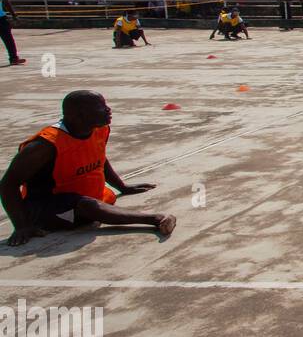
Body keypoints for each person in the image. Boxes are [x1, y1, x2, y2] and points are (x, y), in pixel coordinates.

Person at [2, 91, 177, 246]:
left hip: (82, 198)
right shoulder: (45, 146)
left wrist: (121, 187)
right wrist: (22, 226)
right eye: (100, 107)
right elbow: (7, 184)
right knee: (87, 205)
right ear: (78, 115)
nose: (108, 110)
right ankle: (155, 219)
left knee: (91, 202)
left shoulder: (99, 130)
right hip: (47, 207)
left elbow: (99, 157)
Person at [0, 0, 26, 66]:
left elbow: (6, 2)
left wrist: (14, 15)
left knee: (9, 39)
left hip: (1, 18)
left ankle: (14, 58)